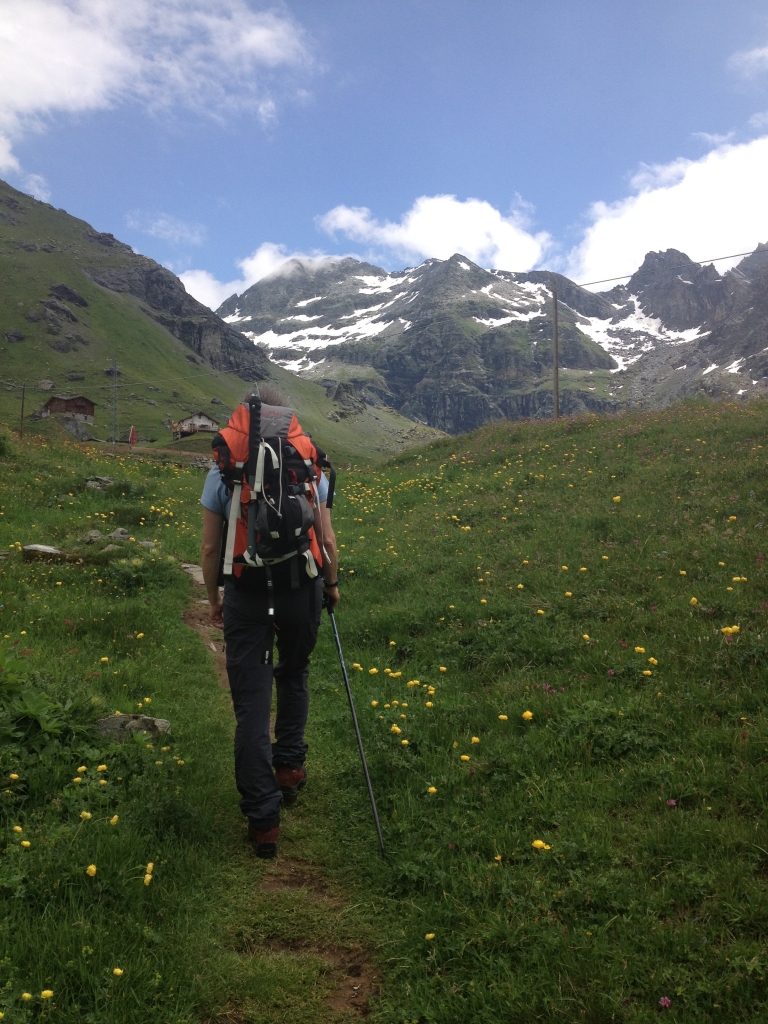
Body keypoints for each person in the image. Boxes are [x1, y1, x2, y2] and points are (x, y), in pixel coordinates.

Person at [200, 386, 339, 859]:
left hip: (248, 593)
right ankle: (289, 770)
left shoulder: (225, 465)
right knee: (294, 673)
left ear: (242, 417)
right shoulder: (307, 462)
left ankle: (263, 820)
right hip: (303, 587)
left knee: (252, 705)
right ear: (287, 416)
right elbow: (327, 538)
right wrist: (332, 585)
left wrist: (215, 598)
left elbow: (208, 548)